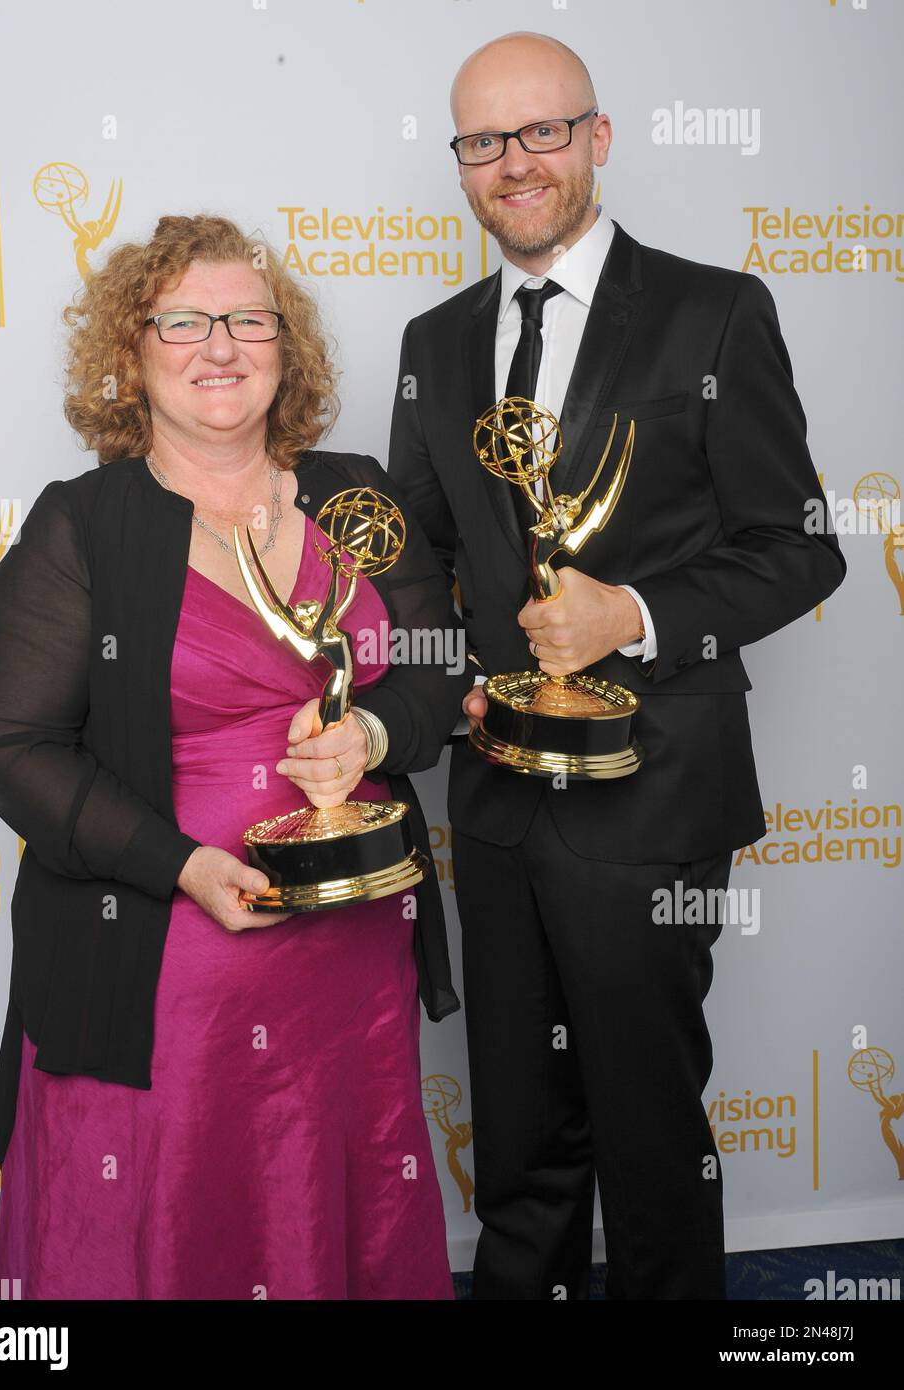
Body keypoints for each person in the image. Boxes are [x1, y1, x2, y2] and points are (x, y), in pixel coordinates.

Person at [387, 33, 847, 1299]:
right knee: (521, 1133)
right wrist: (453, 677)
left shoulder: (714, 310)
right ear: (462, 164)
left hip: (653, 795)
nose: (515, 162)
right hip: (492, 796)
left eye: (542, 131)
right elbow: (420, 562)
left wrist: (632, 612)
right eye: (485, 140)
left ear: (599, 136)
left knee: (647, 1130)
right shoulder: (435, 342)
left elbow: (801, 553)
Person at [0, 213, 474, 1300]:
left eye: (247, 318)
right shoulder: (84, 525)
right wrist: (180, 864)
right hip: (162, 955)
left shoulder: (357, 495)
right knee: (176, 1221)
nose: (219, 345)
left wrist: (373, 733)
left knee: (333, 1208)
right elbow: (6, 742)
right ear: (130, 351)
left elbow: (434, 667)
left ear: (287, 348)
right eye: (182, 321)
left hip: (350, 950)